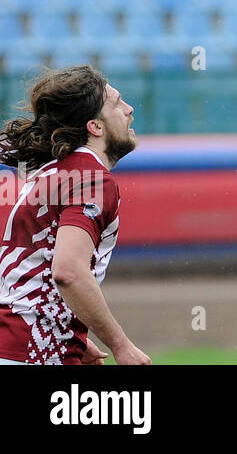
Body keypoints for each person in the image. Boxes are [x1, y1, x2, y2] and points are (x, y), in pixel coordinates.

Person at [0, 66, 150, 365]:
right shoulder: (92, 179)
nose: (129, 109)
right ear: (95, 127)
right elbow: (68, 271)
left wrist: (72, 331)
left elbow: (25, 267)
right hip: (35, 351)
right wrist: (121, 346)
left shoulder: (47, 173)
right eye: (117, 103)